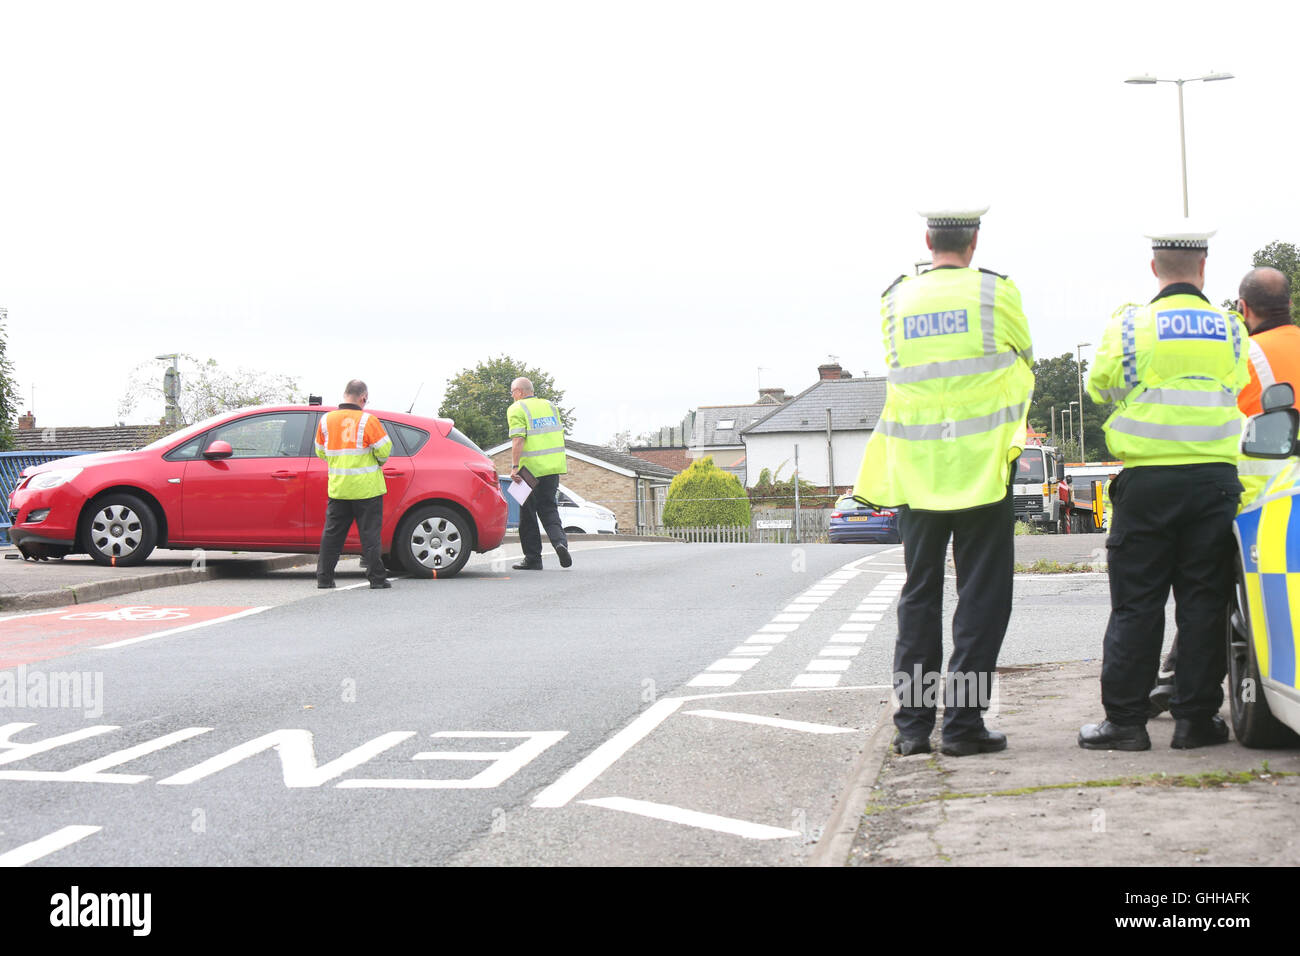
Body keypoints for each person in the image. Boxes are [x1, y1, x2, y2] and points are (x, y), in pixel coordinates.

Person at [852, 205, 1035, 758]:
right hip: (980, 470)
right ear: (974, 241)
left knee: (919, 595)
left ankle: (911, 728)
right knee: (981, 598)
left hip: (916, 471)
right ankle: (962, 726)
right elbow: (1025, 362)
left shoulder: (894, 299)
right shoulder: (997, 294)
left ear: (927, 239)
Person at [1079, 225, 1248, 751]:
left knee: (1137, 603)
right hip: (1215, 483)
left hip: (1148, 483)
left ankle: (1126, 724)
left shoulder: (1129, 326)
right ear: (1203, 268)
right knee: (1204, 601)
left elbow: (1099, 385)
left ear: (1155, 268)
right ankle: (1196, 721)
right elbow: (1238, 385)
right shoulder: (1231, 327)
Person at [1147, 266, 1300, 714]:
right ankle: (1175, 678)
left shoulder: (1246, 356)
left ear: (1243, 308)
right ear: (1289, 303)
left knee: (1217, 591)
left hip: (1260, 498)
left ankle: (1181, 683)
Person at [315, 380, 393, 589]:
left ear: (344, 394)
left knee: (332, 535)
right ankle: (376, 579)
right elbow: (384, 451)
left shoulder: (326, 420)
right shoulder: (368, 420)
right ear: (363, 398)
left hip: (339, 488)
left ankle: (324, 578)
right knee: (369, 536)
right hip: (367, 489)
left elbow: (320, 451)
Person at [507, 377, 572, 571]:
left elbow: (518, 440)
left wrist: (514, 466)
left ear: (519, 391)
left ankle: (533, 558)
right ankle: (560, 543)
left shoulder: (517, 408)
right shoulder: (550, 406)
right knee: (549, 508)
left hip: (527, 470)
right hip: (552, 467)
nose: (512, 397)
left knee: (527, 515)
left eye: (512, 393)